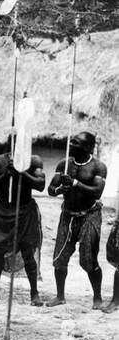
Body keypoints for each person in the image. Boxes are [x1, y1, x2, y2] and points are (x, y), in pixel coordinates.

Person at [0, 141, 45, 306]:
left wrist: (22, 173)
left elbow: (41, 185)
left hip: (25, 211)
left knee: (28, 252)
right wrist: (5, 174)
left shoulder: (34, 160)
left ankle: (34, 293)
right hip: (2, 211)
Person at [47, 131, 107, 309]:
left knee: (88, 259)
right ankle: (60, 296)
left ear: (88, 147)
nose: (70, 144)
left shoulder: (98, 167)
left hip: (90, 215)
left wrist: (74, 183)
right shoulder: (65, 164)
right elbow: (51, 189)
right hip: (68, 214)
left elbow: (97, 192)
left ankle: (97, 297)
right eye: (71, 141)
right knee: (59, 257)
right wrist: (60, 190)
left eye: (76, 142)